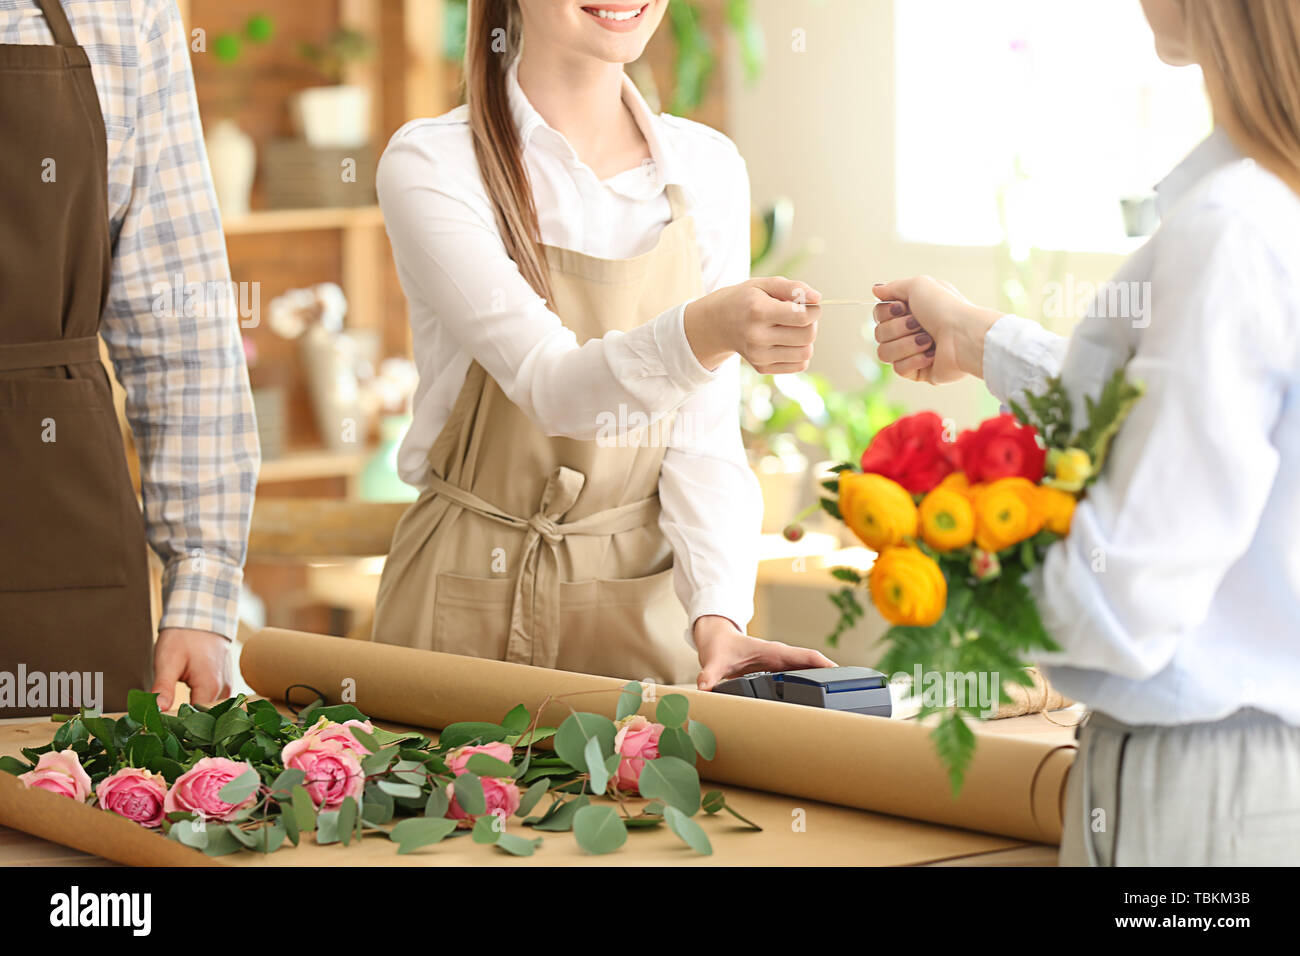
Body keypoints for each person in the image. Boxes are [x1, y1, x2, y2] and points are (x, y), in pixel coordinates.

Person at [873, 0, 1300, 865]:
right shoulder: (1263, 208)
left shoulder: (1229, 233)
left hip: (1201, 799)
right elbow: (1160, 413)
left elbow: (1125, 597)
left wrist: (939, 548)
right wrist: (976, 337)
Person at [373, 0, 834, 689]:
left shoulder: (707, 169)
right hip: (460, 597)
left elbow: (704, 442)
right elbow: (552, 389)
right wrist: (707, 329)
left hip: (642, 609)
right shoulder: (434, 163)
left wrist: (718, 619)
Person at [0, 0, 259, 717]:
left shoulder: (119, 10)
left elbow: (179, 321)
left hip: (50, 531)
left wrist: (201, 591)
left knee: (59, 812)